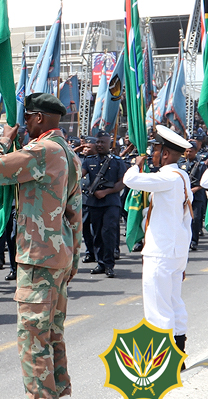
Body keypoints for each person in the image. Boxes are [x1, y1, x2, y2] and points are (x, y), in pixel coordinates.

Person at [0, 93, 81, 399]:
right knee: (53, 335)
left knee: (32, 339)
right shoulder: (69, 153)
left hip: (38, 258)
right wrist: (74, 257)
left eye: (26, 119)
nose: (22, 125)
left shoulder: (42, 150)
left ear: (39, 118)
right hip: (60, 255)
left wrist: (2, 140)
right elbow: (75, 213)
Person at [128, 125, 193, 367]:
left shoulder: (167, 177)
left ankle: (165, 361)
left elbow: (130, 180)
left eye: (155, 150)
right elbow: (186, 221)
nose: (151, 155)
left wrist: (136, 164)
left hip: (161, 252)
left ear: (165, 154)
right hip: (175, 251)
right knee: (174, 302)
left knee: (158, 307)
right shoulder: (182, 176)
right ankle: (179, 355)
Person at [81, 130, 126, 278]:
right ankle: (100, 263)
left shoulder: (117, 161)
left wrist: (106, 192)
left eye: (103, 142)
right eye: (98, 142)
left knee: (108, 233)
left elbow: (121, 182)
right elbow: (80, 174)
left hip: (111, 202)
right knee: (97, 234)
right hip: (94, 203)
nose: (99, 145)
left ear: (109, 144)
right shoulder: (89, 160)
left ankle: (109, 265)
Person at [179, 139, 206, 251]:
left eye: (191, 151)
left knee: (195, 219)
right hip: (183, 195)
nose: (188, 153)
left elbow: (204, 182)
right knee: (181, 218)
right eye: (187, 151)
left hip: (196, 195)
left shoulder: (200, 165)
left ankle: (193, 241)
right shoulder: (180, 163)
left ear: (195, 151)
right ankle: (183, 240)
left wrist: (195, 189)